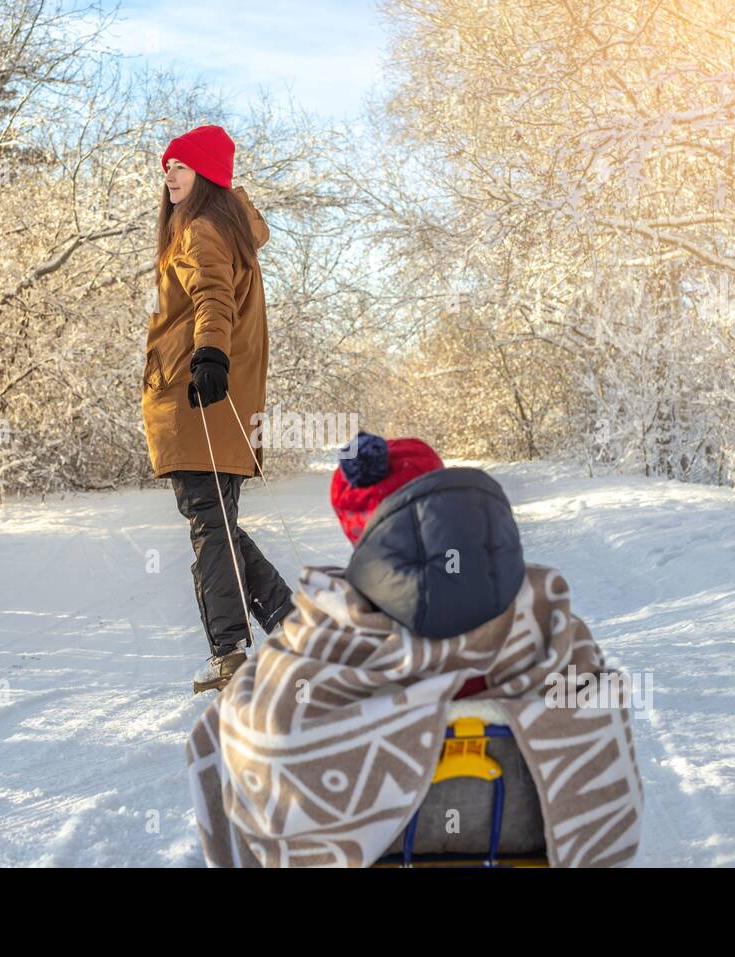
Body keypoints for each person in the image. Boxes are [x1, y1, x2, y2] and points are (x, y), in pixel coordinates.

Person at [185, 432, 645, 867]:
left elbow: (248, 720)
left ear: (361, 536)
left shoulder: (323, 632)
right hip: (524, 834)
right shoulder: (541, 609)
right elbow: (598, 703)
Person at [142, 124, 294, 694]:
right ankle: (290, 625)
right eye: (167, 167)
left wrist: (208, 355)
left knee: (209, 525)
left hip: (197, 396)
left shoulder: (199, 229)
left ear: (205, 173)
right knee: (218, 524)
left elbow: (210, 294)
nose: (169, 176)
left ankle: (229, 650)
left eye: (180, 166)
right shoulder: (228, 229)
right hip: (218, 398)